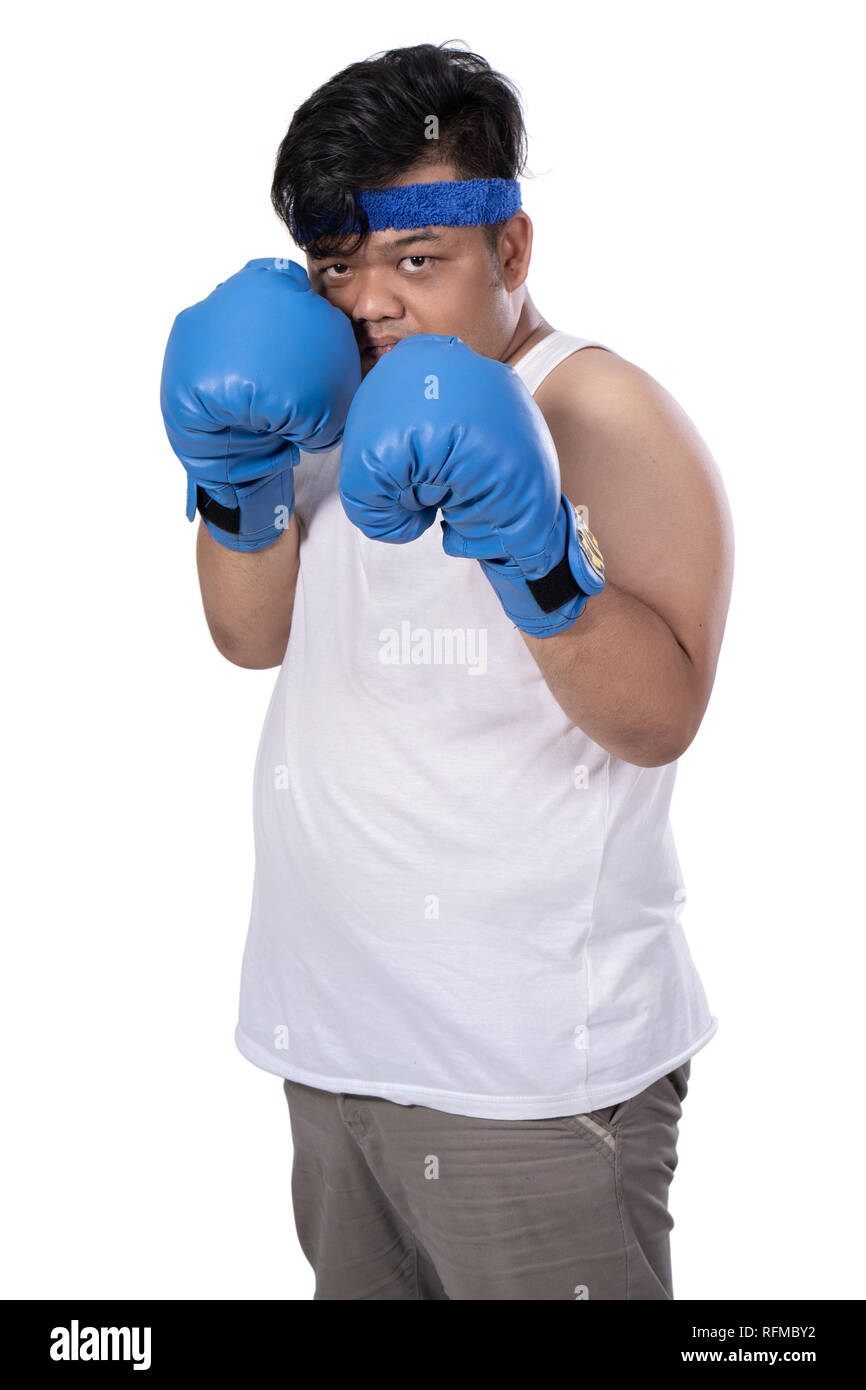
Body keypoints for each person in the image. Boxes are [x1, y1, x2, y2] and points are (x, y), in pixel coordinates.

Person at [160, 41, 734, 1300]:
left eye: (416, 261)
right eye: (340, 264)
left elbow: (659, 716)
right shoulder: (318, 391)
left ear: (510, 249)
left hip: (531, 1077)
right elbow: (249, 637)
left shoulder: (600, 413)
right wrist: (234, 477)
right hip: (334, 1047)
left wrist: (537, 556)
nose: (370, 301)